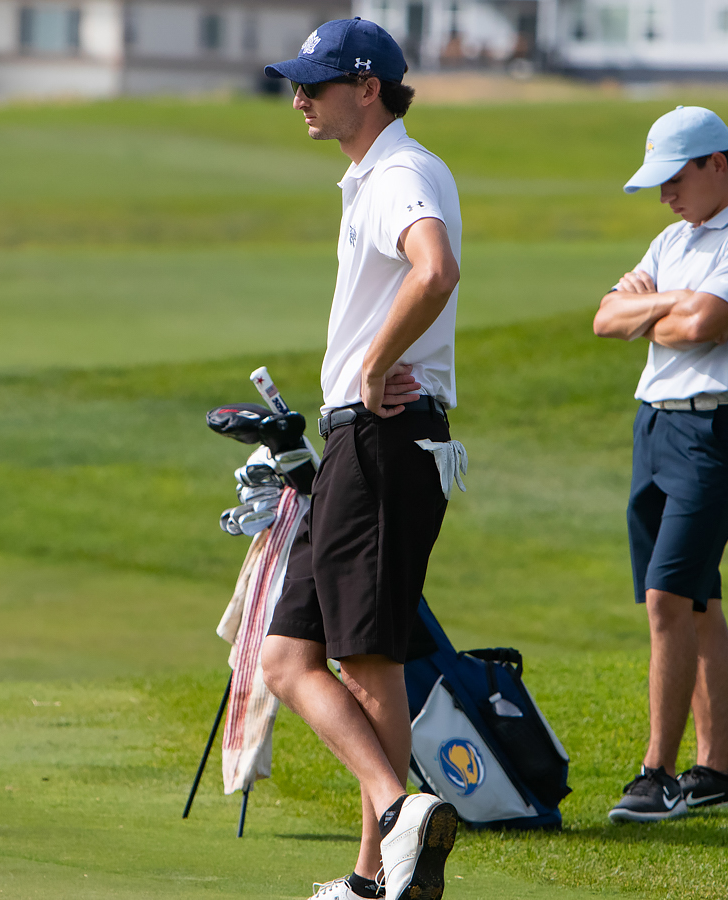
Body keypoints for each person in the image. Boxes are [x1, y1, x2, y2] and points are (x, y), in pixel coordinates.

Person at [259, 17, 463, 900]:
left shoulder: (399, 175)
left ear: (368, 86)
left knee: (367, 660)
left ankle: (382, 858)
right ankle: (390, 837)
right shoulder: (380, 174)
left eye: (316, 83)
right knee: (286, 658)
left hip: (382, 440)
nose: (299, 98)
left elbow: (436, 269)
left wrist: (374, 365)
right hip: (363, 442)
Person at [591, 106, 728, 823]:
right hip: (655, 430)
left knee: (668, 601)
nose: (664, 196)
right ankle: (721, 772)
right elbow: (604, 317)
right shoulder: (673, 237)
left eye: (675, 178)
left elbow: (706, 326)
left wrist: (655, 307)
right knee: (696, 600)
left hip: (717, 435)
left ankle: (658, 774)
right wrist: (667, 307)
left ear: (717, 163)